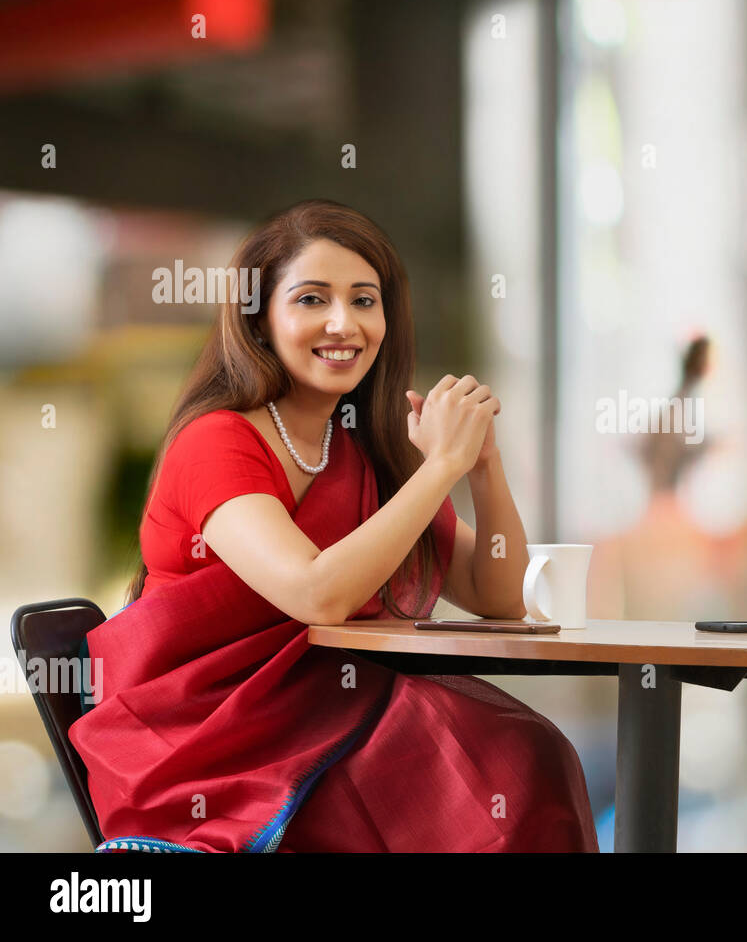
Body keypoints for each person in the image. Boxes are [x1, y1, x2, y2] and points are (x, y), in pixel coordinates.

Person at [69, 199, 598, 852]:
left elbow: (498, 594)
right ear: (259, 319)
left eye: (364, 301)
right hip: (211, 752)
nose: (343, 323)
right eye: (312, 299)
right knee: (484, 766)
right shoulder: (217, 442)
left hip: (336, 723)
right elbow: (316, 592)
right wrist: (442, 467)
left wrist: (482, 465)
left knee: (526, 750)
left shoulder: (367, 452)